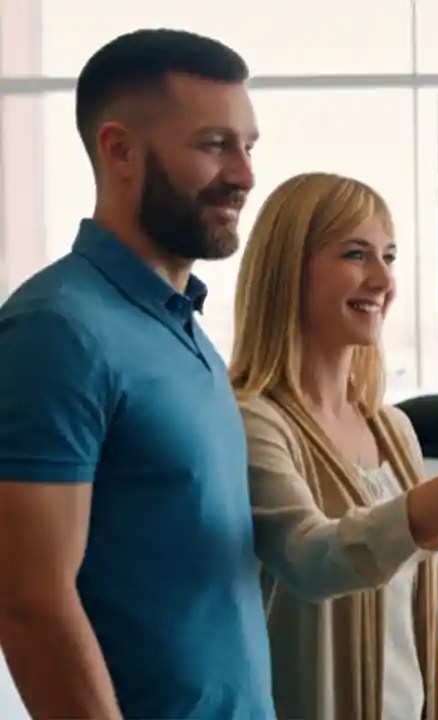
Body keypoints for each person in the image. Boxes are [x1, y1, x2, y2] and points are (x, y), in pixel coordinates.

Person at [228, 171, 438, 720]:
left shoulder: (392, 429)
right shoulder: (252, 422)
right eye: (355, 254)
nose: (381, 280)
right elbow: (312, 559)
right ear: (288, 270)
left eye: (388, 257)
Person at [0, 29, 275, 720]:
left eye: (248, 146)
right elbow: (28, 601)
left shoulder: (182, 325)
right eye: (215, 145)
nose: (243, 174)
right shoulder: (57, 329)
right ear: (119, 150)